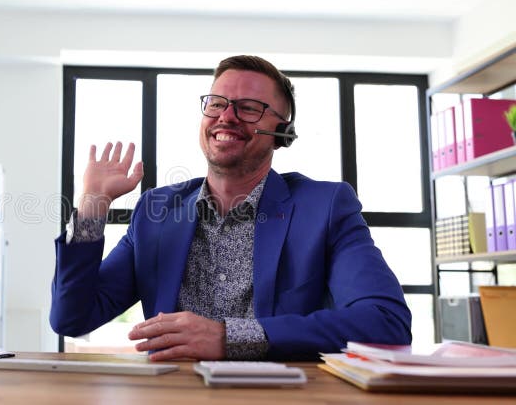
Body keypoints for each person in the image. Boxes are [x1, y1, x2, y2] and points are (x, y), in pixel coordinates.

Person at [50, 55, 412, 361]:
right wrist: (92, 207)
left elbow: (386, 323)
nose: (227, 116)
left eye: (249, 108)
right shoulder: (156, 211)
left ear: (282, 133)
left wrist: (230, 337)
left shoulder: (325, 207)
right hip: (172, 393)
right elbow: (72, 318)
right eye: (217, 103)